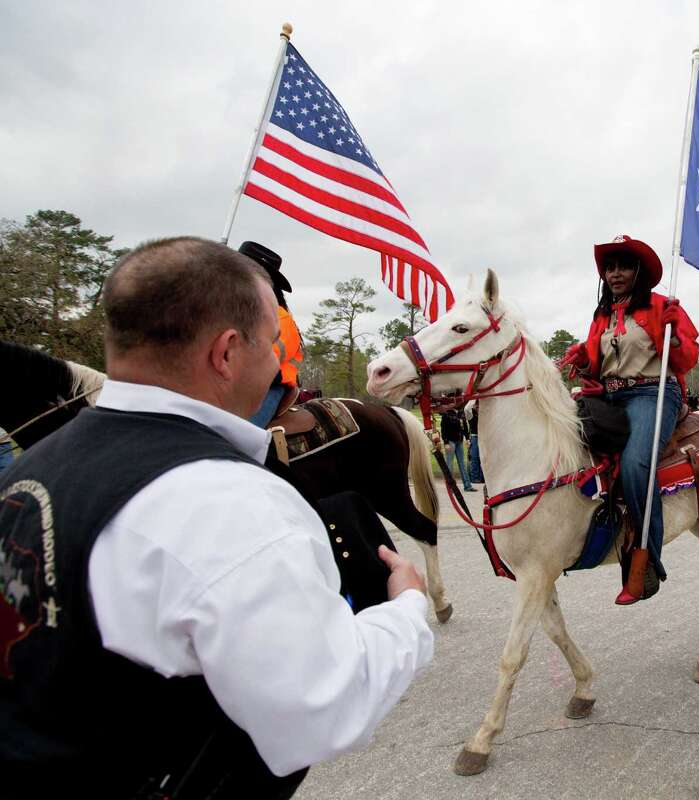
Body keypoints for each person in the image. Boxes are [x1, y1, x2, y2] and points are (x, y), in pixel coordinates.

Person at [0, 237, 434, 798]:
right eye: (271, 345)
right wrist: (406, 610)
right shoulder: (231, 503)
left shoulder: (27, 467)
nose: (279, 360)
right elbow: (325, 707)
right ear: (227, 352)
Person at [560, 234, 699, 605]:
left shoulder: (660, 306)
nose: (615, 273)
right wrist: (583, 358)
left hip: (652, 392)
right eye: (610, 267)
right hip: (607, 395)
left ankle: (647, 558)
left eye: (623, 266)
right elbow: (596, 362)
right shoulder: (602, 315)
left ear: (638, 271)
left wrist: (674, 333)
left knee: (638, 465)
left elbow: (685, 361)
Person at [240, 241, 304, 427]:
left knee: (240, 436)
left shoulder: (281, 319)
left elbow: (262, 364)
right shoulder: (225, 311)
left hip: (268, 387)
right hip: (229, 385)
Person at [440, 407, 474, 492]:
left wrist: (467, 438)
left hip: (459, 441)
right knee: (449, 465)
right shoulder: (446, 414)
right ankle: (450, 486)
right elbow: (443, 429)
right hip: (450, 441)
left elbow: (465, 426)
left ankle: (467, 486)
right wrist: (446, 442)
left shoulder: (460, 413)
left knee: (462, 464)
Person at [466, 401, 484, 486]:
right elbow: (466, 409)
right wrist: (473, 399)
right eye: (476, 405)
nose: (478, 407)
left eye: (479, 405)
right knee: (475, 457)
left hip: (483, 437)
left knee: (483, 457)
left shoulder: (483, 414)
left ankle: (482, 477)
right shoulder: (471, 415)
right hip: (475, 437)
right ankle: (475, 478)